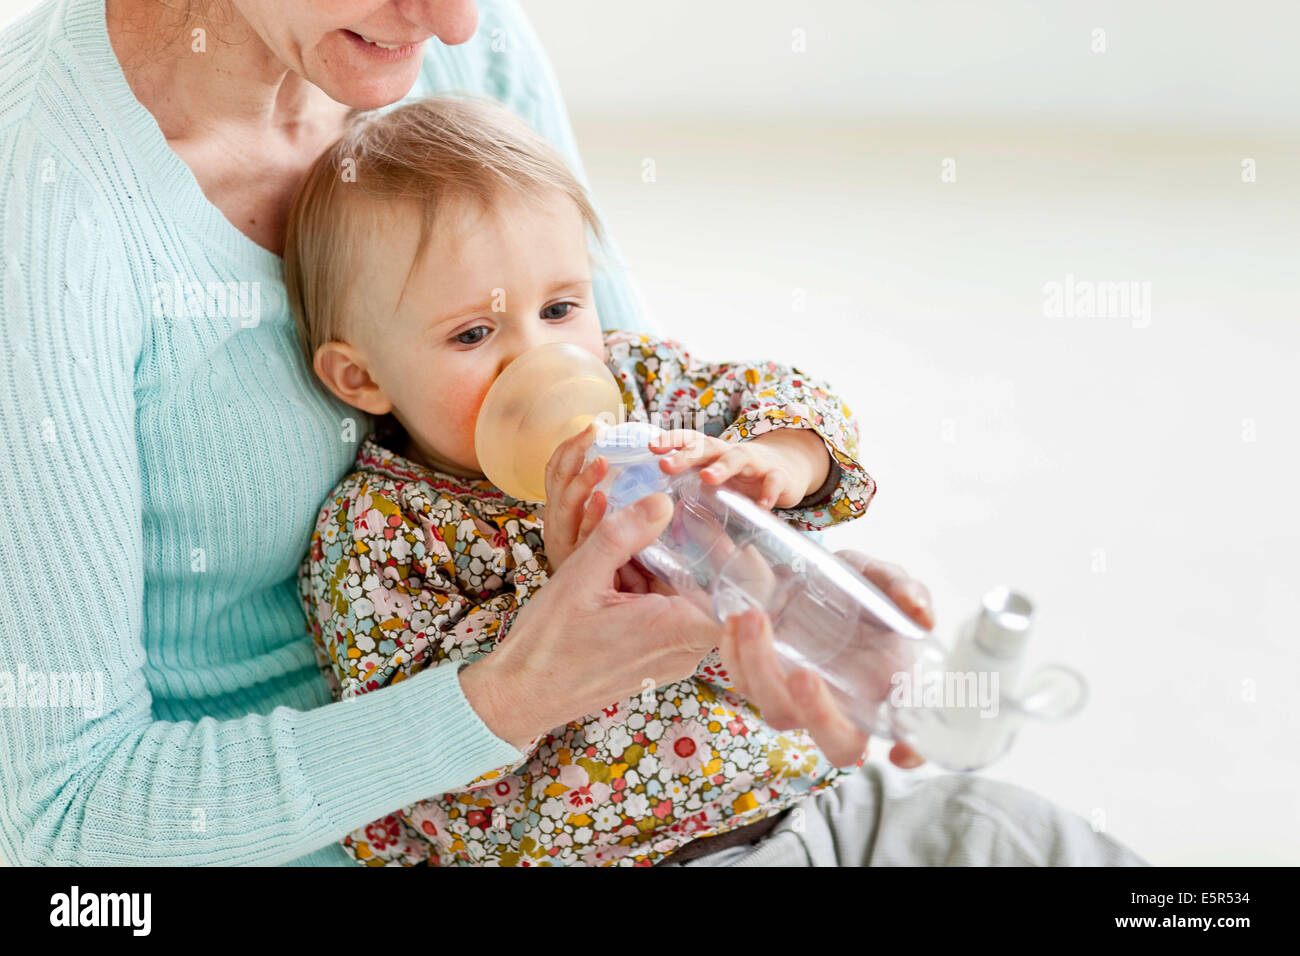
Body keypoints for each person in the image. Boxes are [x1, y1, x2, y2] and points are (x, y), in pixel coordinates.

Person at [0, 0, 1145, 867]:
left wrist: (776, 580)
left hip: (761, 785)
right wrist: (506, 694)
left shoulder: (450, 46)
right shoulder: (47, 208)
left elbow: (669, 407)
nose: (449, 24)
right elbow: (57, 819)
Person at [285, 94, 885, 865]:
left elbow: (790, 396)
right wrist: (558, 591)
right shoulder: (380, 529)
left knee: (1007, 832)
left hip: (805, 794)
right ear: (362, 376)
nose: (539, 358)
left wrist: (779, 459)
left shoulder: (641, 386)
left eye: (561, 307)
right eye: (473, 332)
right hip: (620, 855)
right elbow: (418, 759)